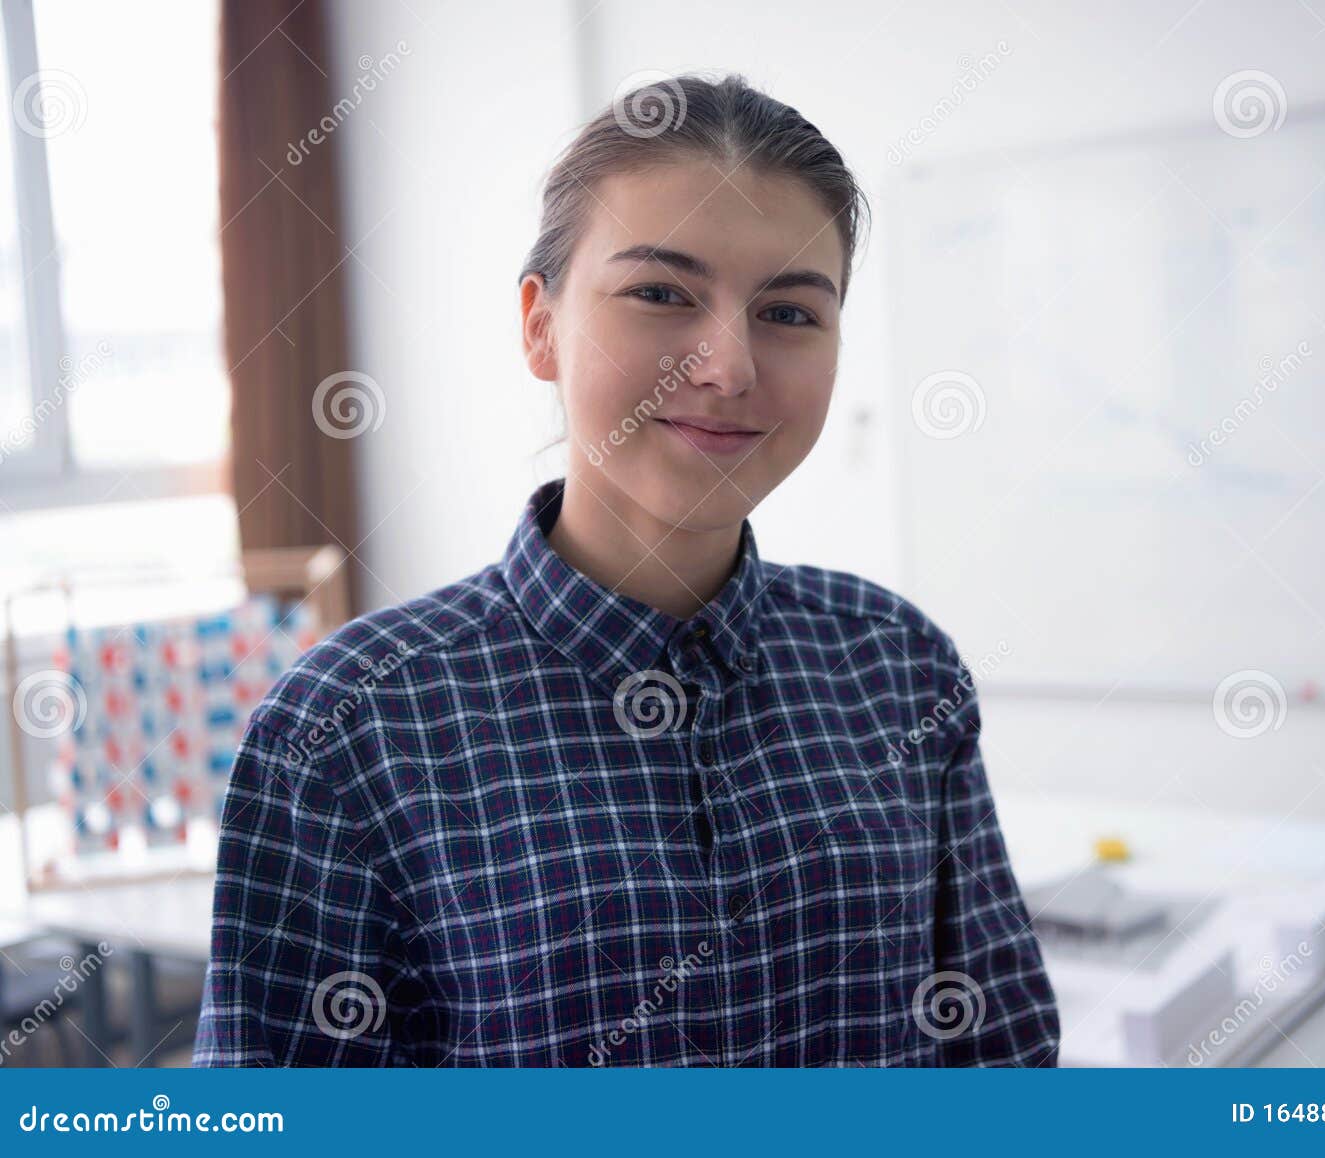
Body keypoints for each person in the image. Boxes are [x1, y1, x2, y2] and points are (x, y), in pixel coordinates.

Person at [193, 72, 1058, 1067]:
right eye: (660, 294)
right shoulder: (349, 726)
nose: (728, 366)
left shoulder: (897, 663)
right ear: (539, 325)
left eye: (788, 313)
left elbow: (1002, 1061)